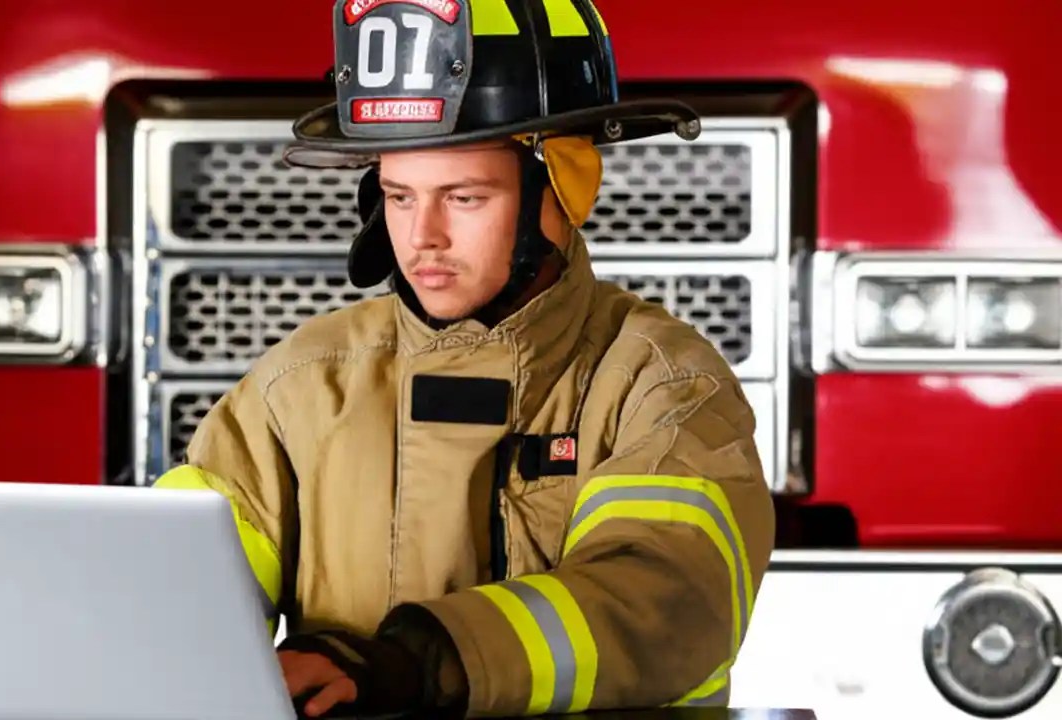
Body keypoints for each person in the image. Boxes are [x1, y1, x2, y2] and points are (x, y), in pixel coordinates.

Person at [154, 0, 776, 717]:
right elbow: (174, 592)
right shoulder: (301, 385)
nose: (423, 235)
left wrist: (414, 664)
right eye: (399, 196)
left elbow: (659, 605)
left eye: (465, 197)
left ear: (563, 190)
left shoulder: (658, 383)